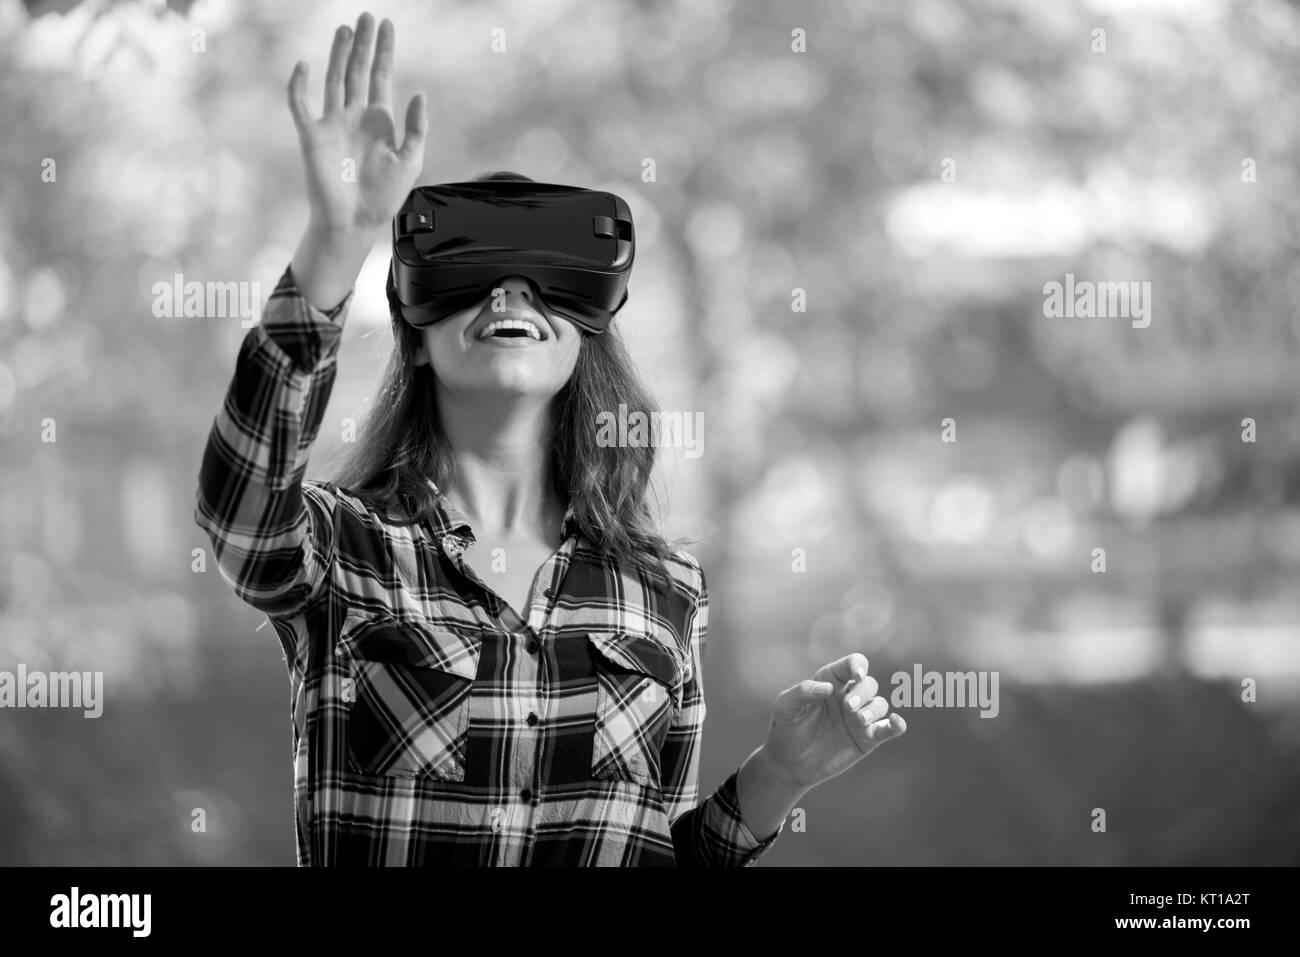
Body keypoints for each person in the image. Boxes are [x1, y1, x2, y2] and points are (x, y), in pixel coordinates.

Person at [194, 11, 907, 866]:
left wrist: (779, 775)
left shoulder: (665, 591)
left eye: (543, 281)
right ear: (417, 335)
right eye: (472, 275)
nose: (509, 297)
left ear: (584, 334)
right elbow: (239, 509)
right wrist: (338, 239)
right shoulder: (341, 552)